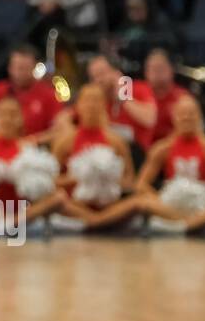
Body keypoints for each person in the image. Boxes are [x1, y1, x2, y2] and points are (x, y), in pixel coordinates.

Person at [135, 95, 205, 233]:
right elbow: (141, 185)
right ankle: (191, 223)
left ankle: (190, 224)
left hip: (202, 203)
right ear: (174, 117)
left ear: (199, 116)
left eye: (191, 114)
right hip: (171, 203)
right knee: (141, 201)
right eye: (182, 114)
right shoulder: (162, 148)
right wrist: (156, 200)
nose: (186, 117)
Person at [52, 85, 141, 230]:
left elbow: (130, 181)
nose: (92, 105)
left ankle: (94, 221)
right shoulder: (65, 141)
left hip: (109, 205)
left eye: (97, 100)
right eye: (87, 100)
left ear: (104, 105)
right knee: (56, 200)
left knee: (138, 202)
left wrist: (109, 178)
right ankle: (99, 221)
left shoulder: (117, 141)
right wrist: (76, 178)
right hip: (76, 205)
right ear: (78, 105)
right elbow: (51, 181)